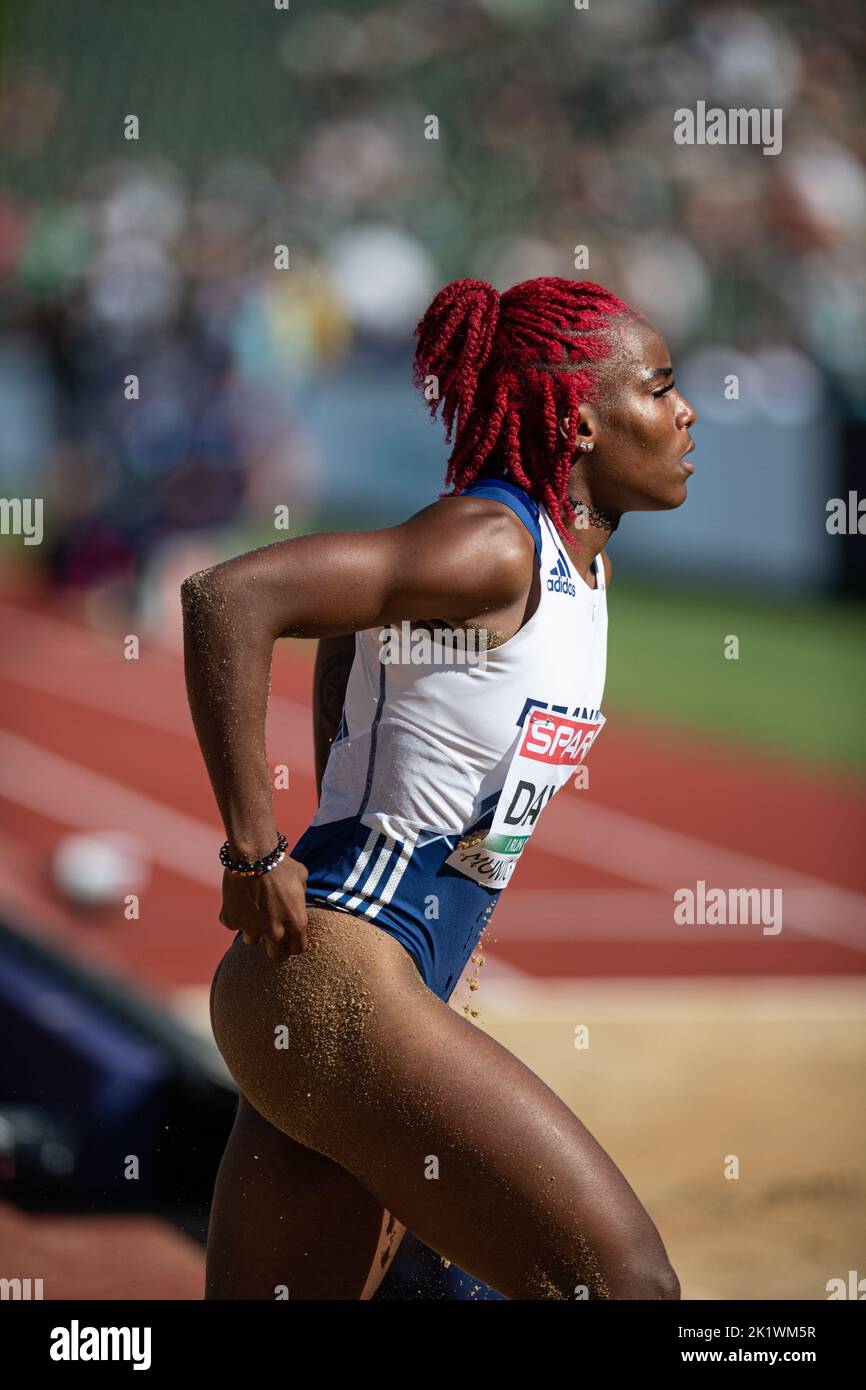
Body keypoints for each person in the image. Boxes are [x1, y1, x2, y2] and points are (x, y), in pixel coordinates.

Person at [182, 276, 697, 1300]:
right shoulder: (493, 545)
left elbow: (353, 631)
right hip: (338, 974)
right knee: (626, 1286)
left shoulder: (570, 566)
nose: (684, 414)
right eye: (657, 388)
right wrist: (255, 850)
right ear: (580, 420)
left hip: (358, 986)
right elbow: (229, 597)